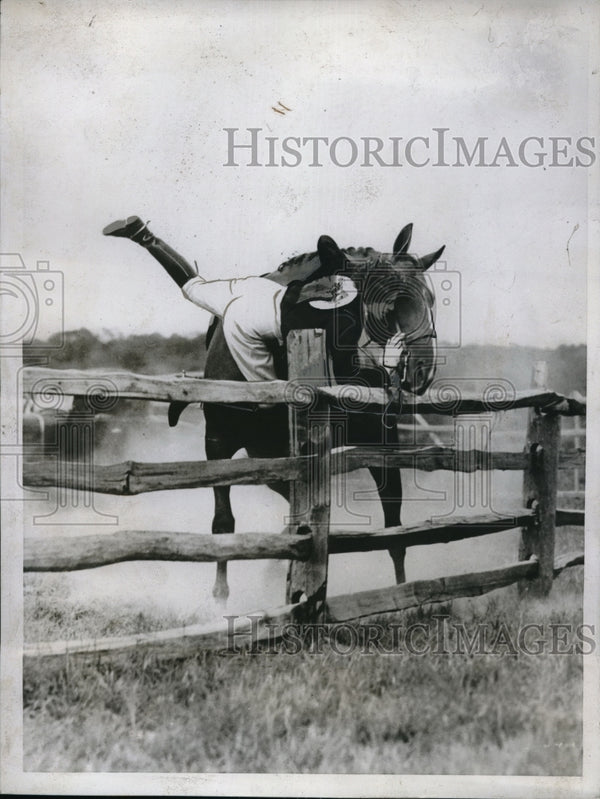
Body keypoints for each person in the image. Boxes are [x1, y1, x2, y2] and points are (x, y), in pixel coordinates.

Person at [103, 215, 405, 383]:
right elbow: (343, 372)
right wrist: (388, 368)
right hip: (246, 321)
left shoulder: (331, 285)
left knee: (193, 287)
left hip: (256, 289)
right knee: (268, 398)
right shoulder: (349, 316)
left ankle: (144, 236)